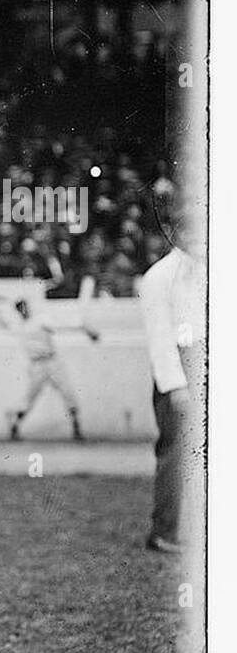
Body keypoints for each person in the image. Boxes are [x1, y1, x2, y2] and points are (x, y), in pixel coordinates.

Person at [139, 215, 206, 552]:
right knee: (176, 454)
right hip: (179, 369)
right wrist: (176, 386)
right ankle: (164, 532)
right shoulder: (159, 277)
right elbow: (159, 338)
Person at [0, 298, 98, 441]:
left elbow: (62, 325)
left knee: (68, 393)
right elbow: (6, 325)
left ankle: (77, 429)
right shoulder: (19, 326)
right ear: (18, 311)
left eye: (25, 307)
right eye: (20, 308)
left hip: (52, 361)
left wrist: (85, 329)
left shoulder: (40, 320)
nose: (24, 310)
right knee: (29, 398)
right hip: (37, 366)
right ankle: (14, 427)